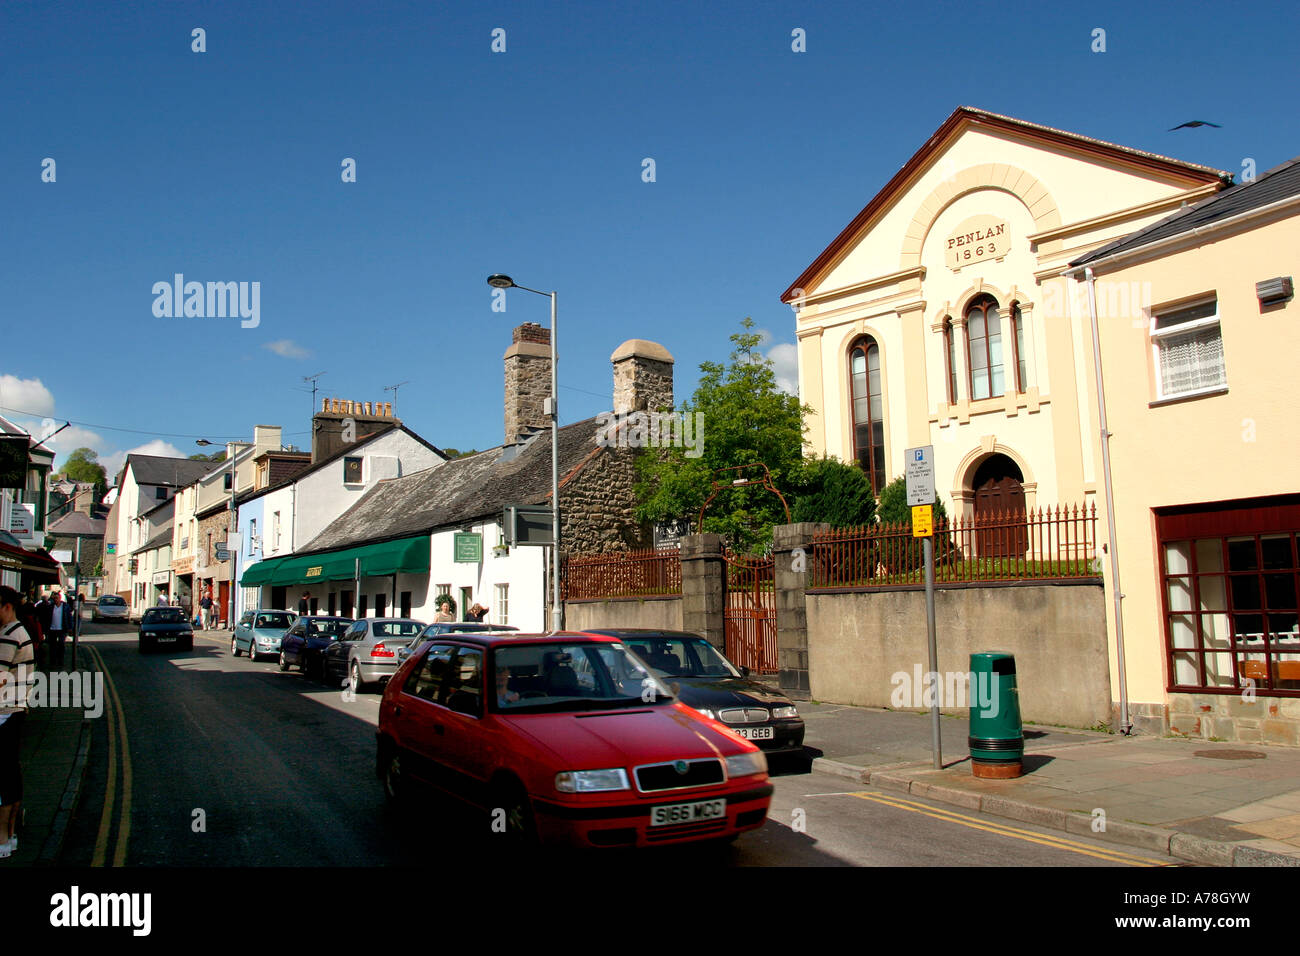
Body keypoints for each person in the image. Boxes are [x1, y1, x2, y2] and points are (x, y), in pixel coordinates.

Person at [0, 586, 36, 859]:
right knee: (11, 775)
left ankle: (2, 839)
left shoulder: (9, 636)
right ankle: (9, 836)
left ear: (7, 606)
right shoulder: (18, 632)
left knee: (4, 778)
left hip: (4, 713)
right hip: (15, 709)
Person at [39, 590, 72, 671]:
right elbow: (46, 619)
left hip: (62, 629)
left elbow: (69, 618)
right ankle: (52, 661)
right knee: (52, 646)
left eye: (57, 598)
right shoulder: (50, 607)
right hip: (52, 629)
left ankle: (61, 661)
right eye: (54, 598)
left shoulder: (65, 607)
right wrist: (45, 629)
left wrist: (70, 628)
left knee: (61, 645)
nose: (55, 600)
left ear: (60, 598)